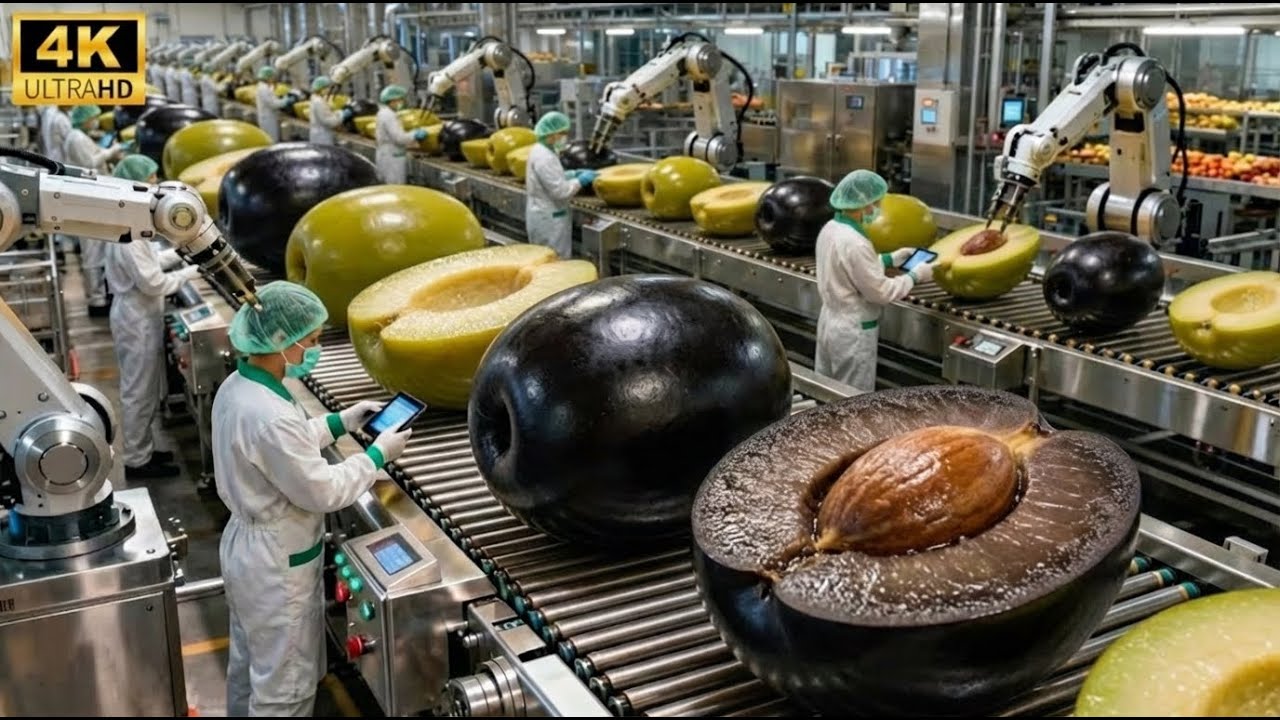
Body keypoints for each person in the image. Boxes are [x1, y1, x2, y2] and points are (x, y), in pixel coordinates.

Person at [215, 281, 413, 717]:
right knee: (286, 687)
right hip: (275, 565)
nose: (316, 347)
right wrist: (377, 456)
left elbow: (281, 450)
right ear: (282, 341)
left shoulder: (239, 387)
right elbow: (322, 489)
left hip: (246, 549)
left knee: (250, 667)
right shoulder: (267, 415)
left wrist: (340, 422)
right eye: (313, 339)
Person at [104, 155, 202, 479]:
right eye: (151, 178)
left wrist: (177, 253)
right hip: (136, 317)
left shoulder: (130, 221)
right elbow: (152, 283)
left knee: (146, 388)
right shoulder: (129, 232)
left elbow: (151, 259)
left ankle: (142, 449)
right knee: (138, 391)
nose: (155, 184)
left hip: (140, 314)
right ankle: (136, 460)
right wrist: (189, 273)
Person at [814, 169, 938, 393]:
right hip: (853, 331)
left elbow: (849, 267)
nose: (876, 209)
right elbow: (880, 292)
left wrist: (890, 258)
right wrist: (914, 276)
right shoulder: (857, 243)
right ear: (863, 204)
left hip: (829, 322)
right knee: (853, 401)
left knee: (827, 392)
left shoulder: (830, 229)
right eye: (875, 203)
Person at [63, 104, 125, 318]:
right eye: (94, 118)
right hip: (85, 199)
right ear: (85, 119)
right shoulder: (77, 138)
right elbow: (89, 163)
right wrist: (110, 152)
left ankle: (99, 294)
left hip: (90, 197)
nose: (96, 121)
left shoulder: (80, 136)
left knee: (96, 250)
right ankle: (96, 300)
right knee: (92, 252)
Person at [525, 111, 595, 258]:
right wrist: (580, 181)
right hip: (550, 220)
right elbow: (561, 192)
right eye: (562, 133)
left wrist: (570, 174)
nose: (565, 137)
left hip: (543, 214)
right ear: (551, 133)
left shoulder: (541, 150)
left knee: (545, 261)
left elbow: (546, 178)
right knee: (555, 262)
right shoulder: (545, 158)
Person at [374, 84, 427, 184]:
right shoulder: (389, 115)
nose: (401, 102)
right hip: (392, 158)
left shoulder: (383, 112)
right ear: (393, 100)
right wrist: (415, 134)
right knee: (396, 188)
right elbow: (399, 138)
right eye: (400, 100)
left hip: (387, 154)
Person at [255, 66, 290, 142]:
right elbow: (272, 104)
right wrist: (285, 101)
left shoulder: (264, 87)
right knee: (271, 140)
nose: (273, 79)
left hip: (267, 117)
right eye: (272, 77)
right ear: (267, 77)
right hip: (268, 119)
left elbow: (271, 98)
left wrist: (273, 88)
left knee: (269, 140)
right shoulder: (263, 88)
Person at [307, 76, 344, 145]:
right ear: (321, 88)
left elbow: (325, 115)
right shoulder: (318, 102)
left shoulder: (316, 99)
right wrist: (342, 116)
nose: (328, 90)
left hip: (318, 135)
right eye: (326, 88)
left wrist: (336, 113)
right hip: (322, 137)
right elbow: (328, 121)